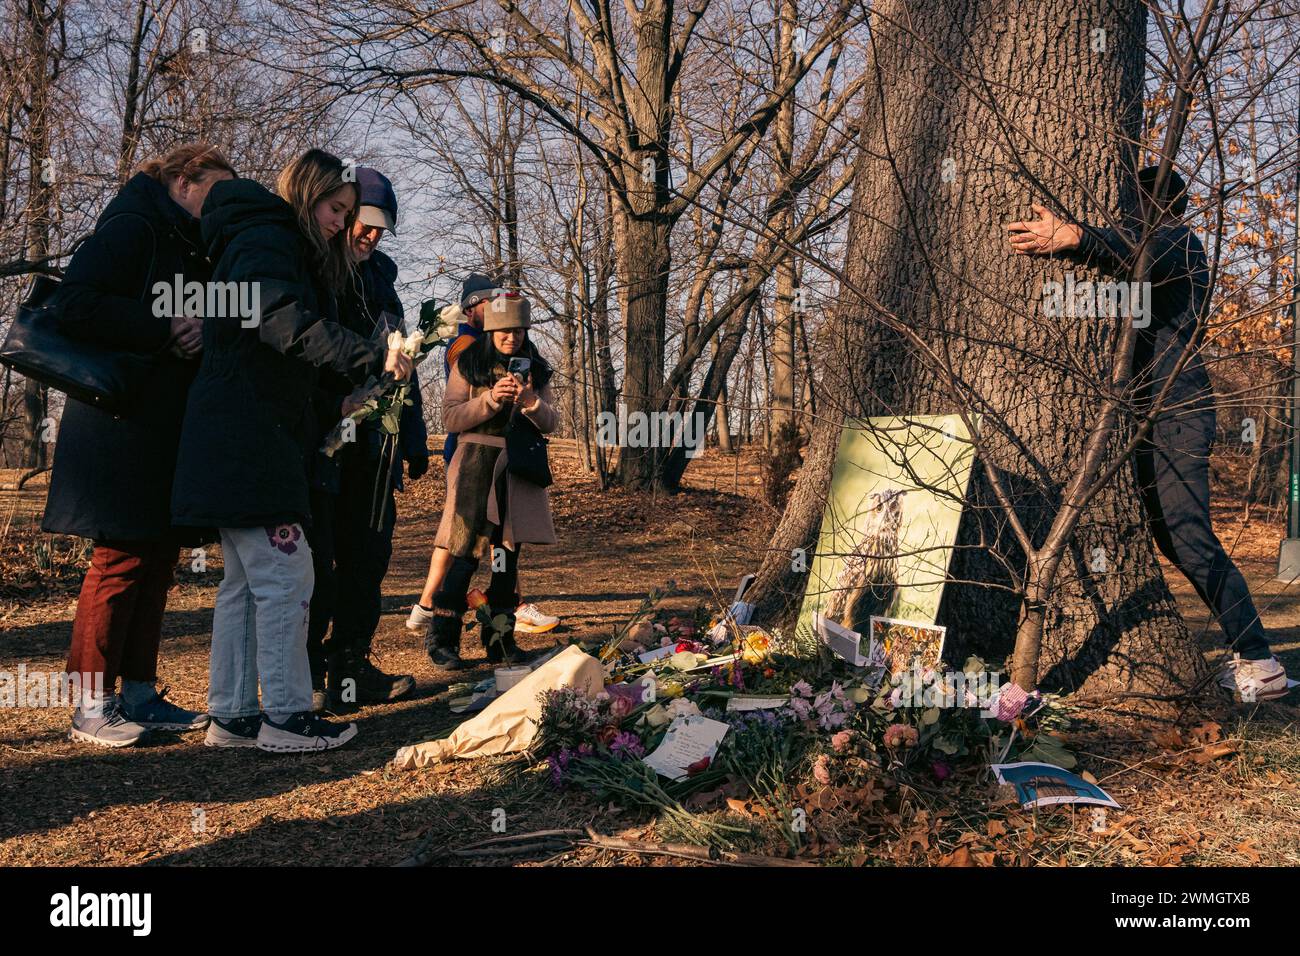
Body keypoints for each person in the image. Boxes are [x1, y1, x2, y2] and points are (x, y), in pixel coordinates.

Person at [1007, 165, 1291, 702]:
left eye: (1132, 203)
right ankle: (1253, 652)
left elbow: (1138, 251)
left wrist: (1078, 237)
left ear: (1153, 205)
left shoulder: (1179, 243)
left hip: (1177, 414)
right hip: (1146, 416)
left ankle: (1259, 659)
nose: (1123, 211)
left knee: (1187, 534)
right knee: (1168, 536)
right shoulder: (1151, 254)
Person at [171, 149, 413, 752]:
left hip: (248, 429)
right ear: (307, 194)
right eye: (336, 209)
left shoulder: (272, 243)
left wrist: (336, 407)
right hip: (248, 437)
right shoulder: (266, 234)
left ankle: (231, 715)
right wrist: (368, 353)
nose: (340, 223)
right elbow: (274, 317)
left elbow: (277, 355)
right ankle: (285, 715)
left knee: (245, 583)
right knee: (286, 572)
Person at [43, 143, 237, 747]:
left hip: (161, 425)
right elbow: (75, 303)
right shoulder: (132, 224)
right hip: (116, 425)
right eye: (215, 190)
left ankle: (140, 693)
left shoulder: (189, 241)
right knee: (119, 560)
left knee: (157, 558)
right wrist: (163, 329)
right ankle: (90, 705)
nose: (221, 205)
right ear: (183, 179)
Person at [306, 166, 425, 712]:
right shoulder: (317, 269)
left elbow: (407, 361)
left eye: (381, 229)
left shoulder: (384, 282)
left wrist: (415, 437)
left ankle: (349, 665)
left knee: (369, 554)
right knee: (317, 557)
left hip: (377, 445)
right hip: (323, 434)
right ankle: (304, 669)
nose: (370, 236)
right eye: (363, 223)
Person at [405, 274, 560, 639]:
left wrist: (530, 403)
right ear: (491, 329)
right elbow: (451, 417)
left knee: (506, 560)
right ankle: (443, 639)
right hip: (475, 464)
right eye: (505, 331)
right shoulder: (469, 362)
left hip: (517, 469)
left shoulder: (535, 368)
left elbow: (551, 422)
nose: (512, 338)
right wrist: (491, 400)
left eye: (518, 331)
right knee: (464, 554)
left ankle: (499, 641)